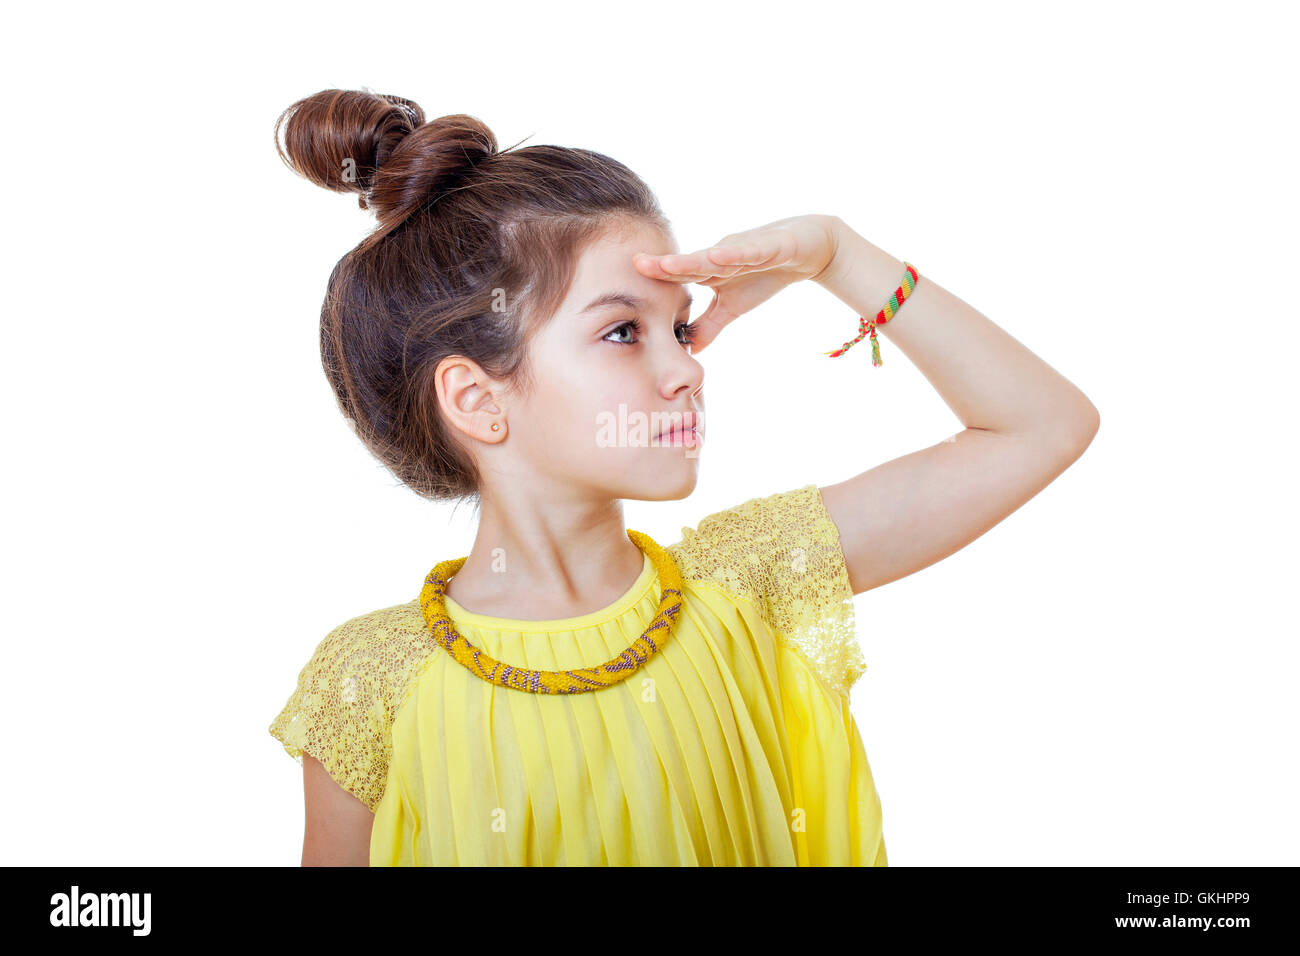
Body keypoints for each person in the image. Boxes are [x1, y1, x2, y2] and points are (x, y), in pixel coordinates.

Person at [267, 88, 1100, 867]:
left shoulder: (752, 584)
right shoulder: (367, 683)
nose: (687, 371)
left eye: (681, 326)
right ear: (477, 398)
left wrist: (838, 255)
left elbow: (1042, 426)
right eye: (625, 331)